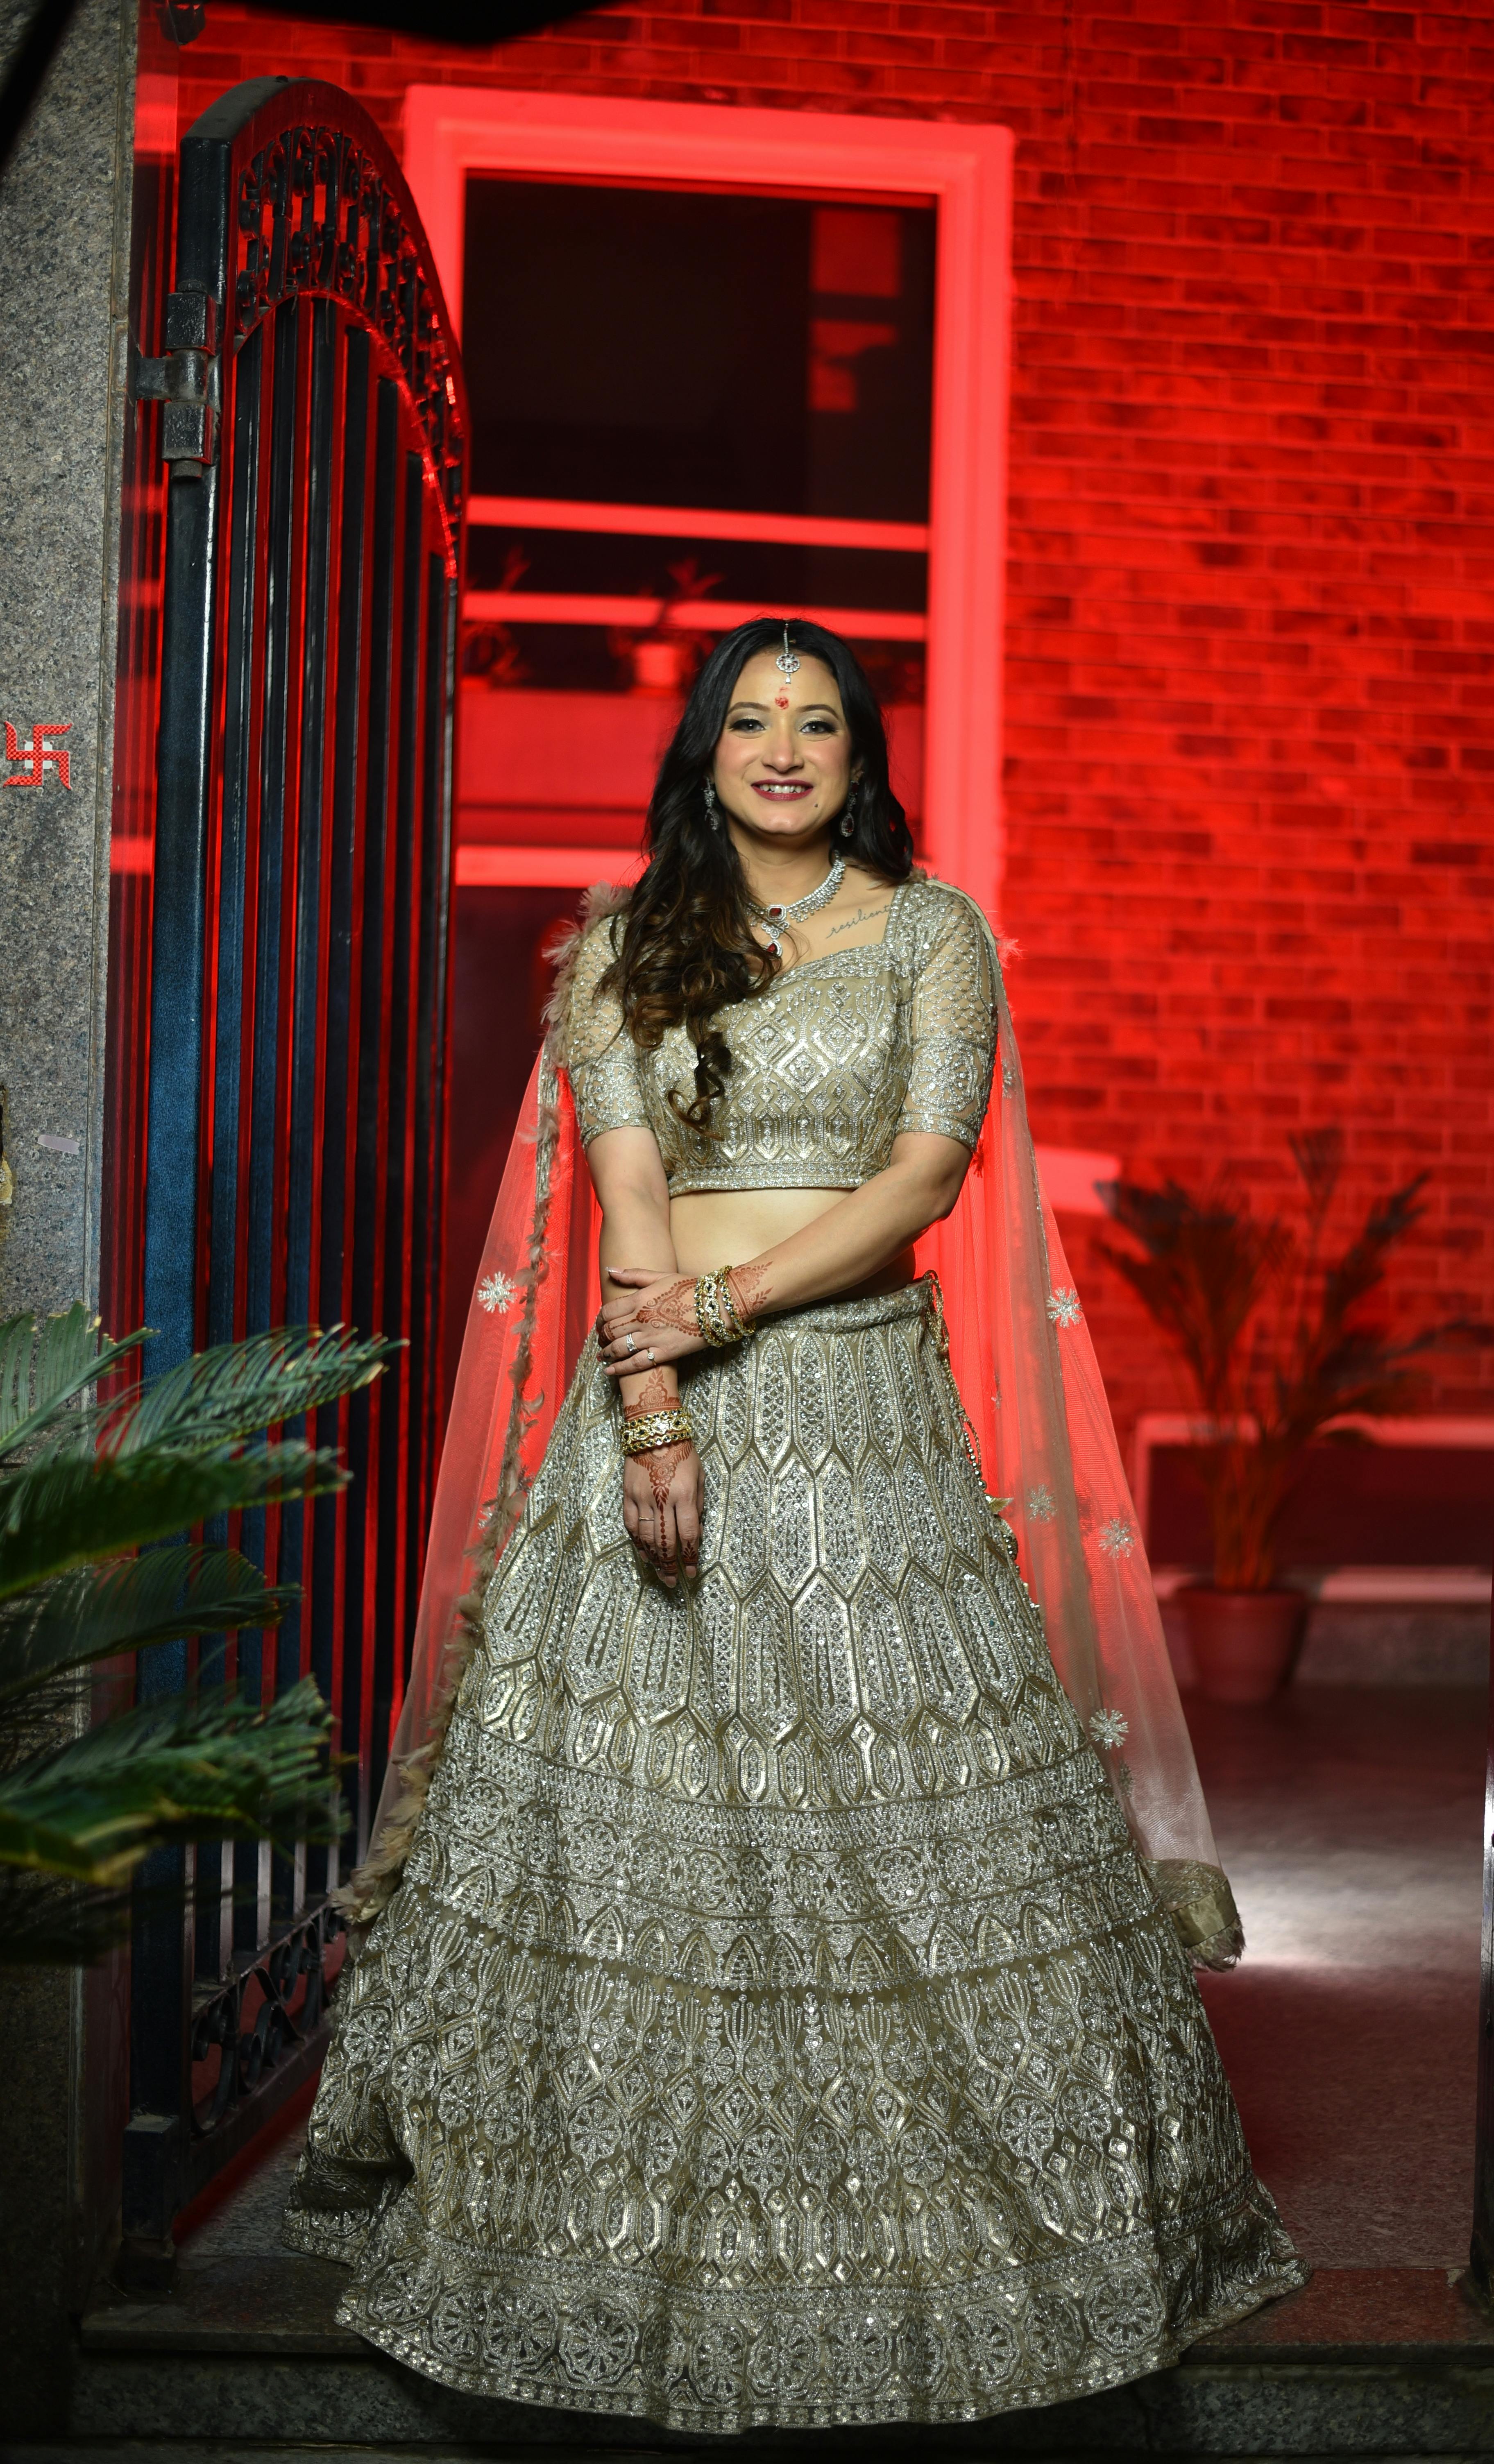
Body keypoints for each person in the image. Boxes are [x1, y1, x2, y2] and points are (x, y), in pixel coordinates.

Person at [283, 617, 1305, 2430]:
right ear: (704, 748)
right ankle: (582, 2238)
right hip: (656, 1419)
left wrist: (724, 1312)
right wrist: (659, 1405)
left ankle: (985, 2231)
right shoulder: (620, 949)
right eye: (748, 719)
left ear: (857, 753)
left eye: (813, 722)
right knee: (641, 1819)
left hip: (858, 1414)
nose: (780, 748)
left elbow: (923, 1171)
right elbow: (626, 1188)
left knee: (900, 1809)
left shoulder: (931, 932)